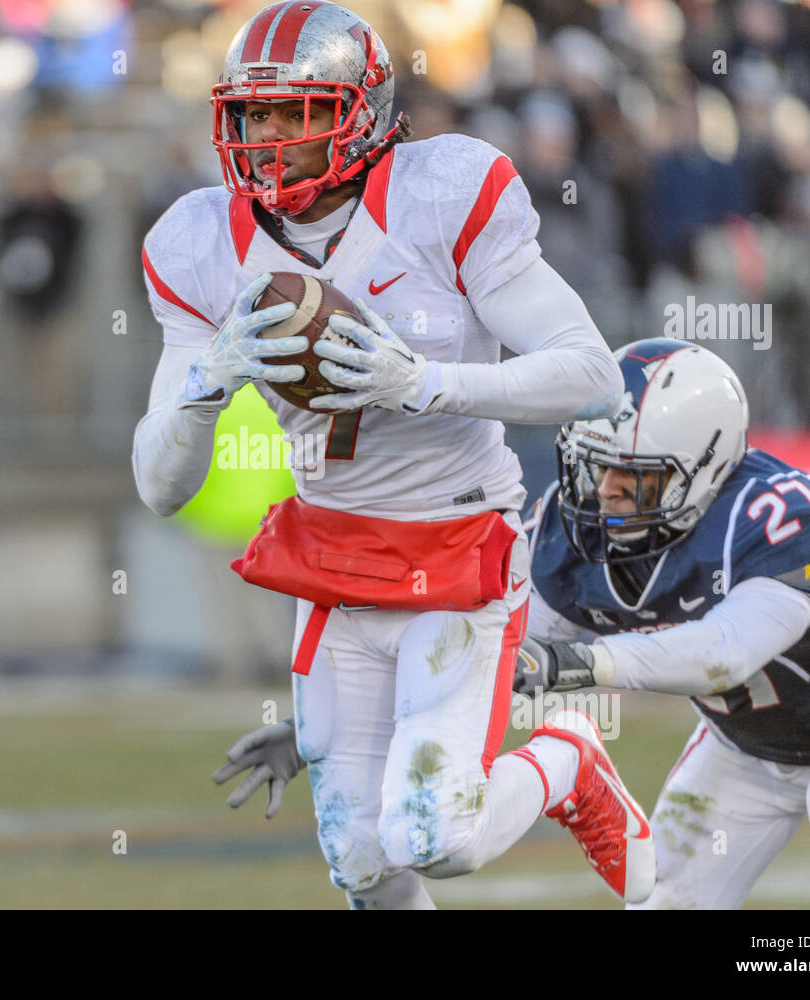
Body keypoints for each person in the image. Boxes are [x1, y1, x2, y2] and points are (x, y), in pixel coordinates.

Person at [133, 1, 651, 909]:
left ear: (362, 115)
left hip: (457, 540)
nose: (270, 138)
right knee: (365, 865)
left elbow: (592, 376)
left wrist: (424, 383)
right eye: (254, 114)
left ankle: (567, 760)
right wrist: (204, 386)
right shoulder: (198, 241)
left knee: (435, 836)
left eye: (298, 112)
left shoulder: (440, 194)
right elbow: (159, 486)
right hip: (332, 557)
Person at [221, 337, 810, 908]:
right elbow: (494, 653)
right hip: (748, 755)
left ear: (704, 471)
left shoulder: (773, 516)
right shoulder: (571, 533)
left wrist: (583, 665)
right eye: (597, 469)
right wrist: (347, 723)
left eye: (633, 478)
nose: (604, 495)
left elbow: (726, 652)